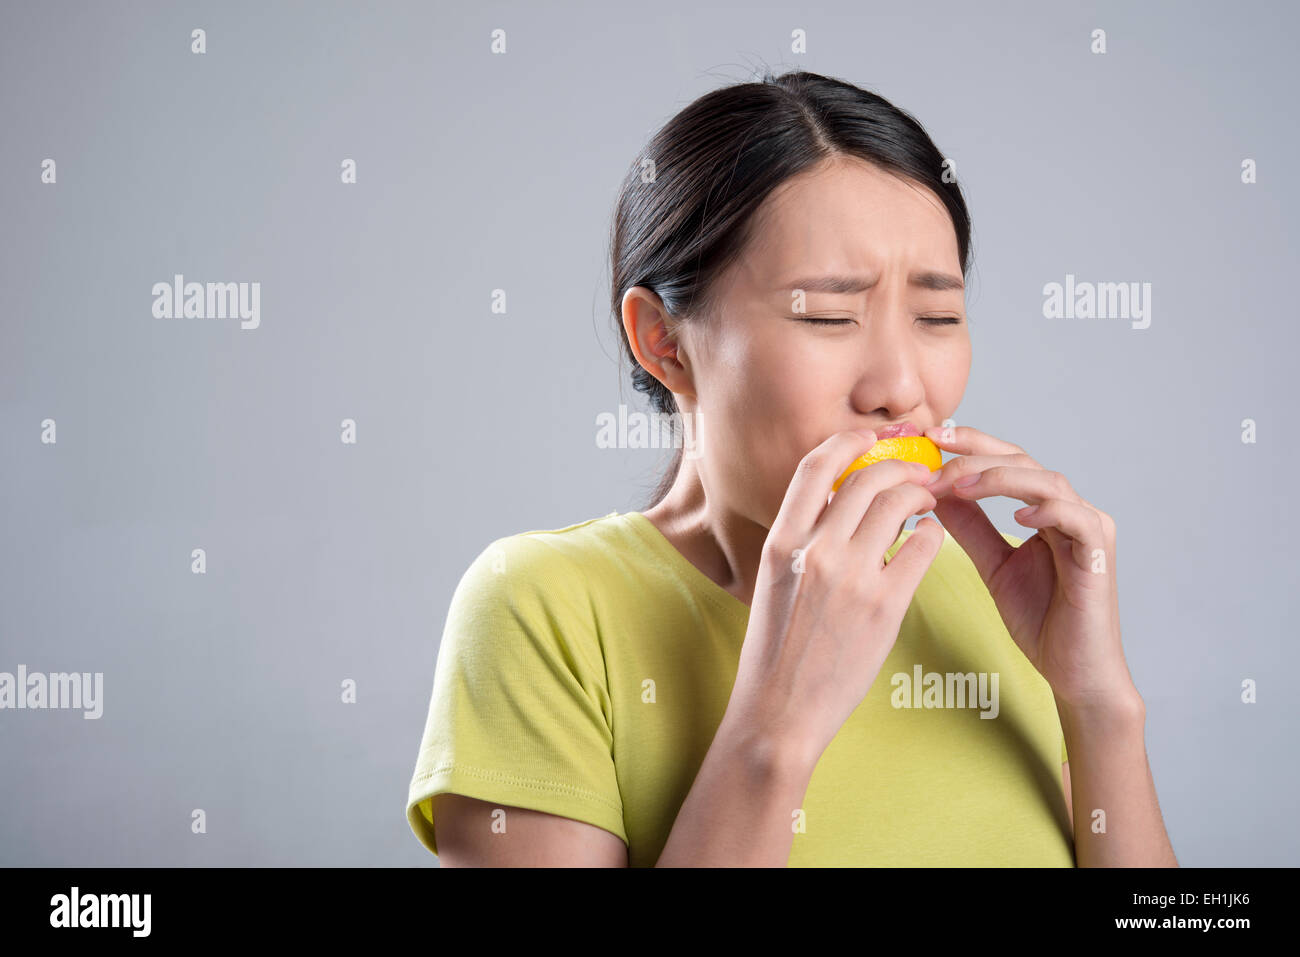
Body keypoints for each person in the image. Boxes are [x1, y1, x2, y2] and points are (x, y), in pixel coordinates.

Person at [405, 69, 1177, 867]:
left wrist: (1099, 706)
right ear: (663, 340)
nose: (902, 389)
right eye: (830, 315)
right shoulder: (542, 608)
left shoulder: (996, 592)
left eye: (938, 317)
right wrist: (779, 725)